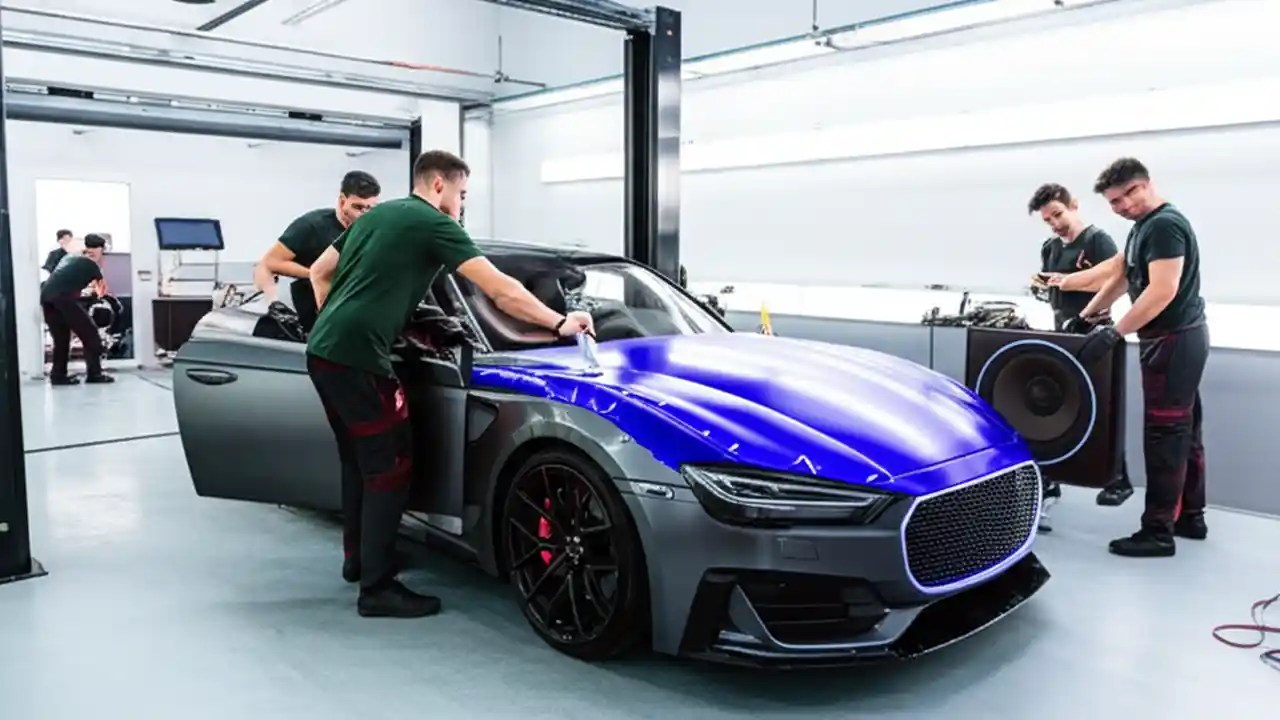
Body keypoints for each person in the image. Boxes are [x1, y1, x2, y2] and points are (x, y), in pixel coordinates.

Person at [305, 149, 595, 618]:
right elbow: (501, 290)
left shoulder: (377, 217)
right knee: (391, 467)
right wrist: (561, 323)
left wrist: (340, 322)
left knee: (359, 463)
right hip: (359, 359)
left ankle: (360, 561)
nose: (462, 204)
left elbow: (320, 272)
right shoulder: (434, 223)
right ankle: (377, 590)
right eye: (462, 194)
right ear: (438, 185)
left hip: (324, 353)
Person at [1052, 157, 1209, 557]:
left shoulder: (1165, 225)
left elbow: (1162, 291)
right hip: (1174, 340)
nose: (1121, 206)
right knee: (1184, 433)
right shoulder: (1142, 229)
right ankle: (1190, 516)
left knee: (1165, 437)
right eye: (1113, 202)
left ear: (1146, 185)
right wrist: (1087, 317)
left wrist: (1115, 332)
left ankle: (1157, 532)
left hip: (1173, 340)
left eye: (1127, 195)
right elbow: (1122, 276)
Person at [1028, 183, 1134, 512]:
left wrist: (1071, 285)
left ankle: (1119, 479)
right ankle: (1054, 477)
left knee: (1102, 406)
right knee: (1059, 406)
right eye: (1048, 220)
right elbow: (1052, 284)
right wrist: (1041, 287)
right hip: (1062, 333)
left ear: (1073, 205)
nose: (1055, 223)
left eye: (1058, 214)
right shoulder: (1050, 247)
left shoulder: (1097, 241)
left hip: (1096, 333)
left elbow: (1114, 280)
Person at [253, 170, 381, 331]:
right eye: (358, 207)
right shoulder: (311, 225)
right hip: (311, 311)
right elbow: (271, 262)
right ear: (342, 202)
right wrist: (318, 273)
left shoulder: (370, 228)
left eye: (369, 209)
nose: (363, 214)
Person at [40, 233, 114, 385]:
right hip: (63, 299)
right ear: (101, 249)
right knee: (91, 335)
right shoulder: (93, 266)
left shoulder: (68, 258)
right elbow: (101, 293)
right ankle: (95, 374)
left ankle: (58, 375)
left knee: (61, 339)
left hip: (46, 297)